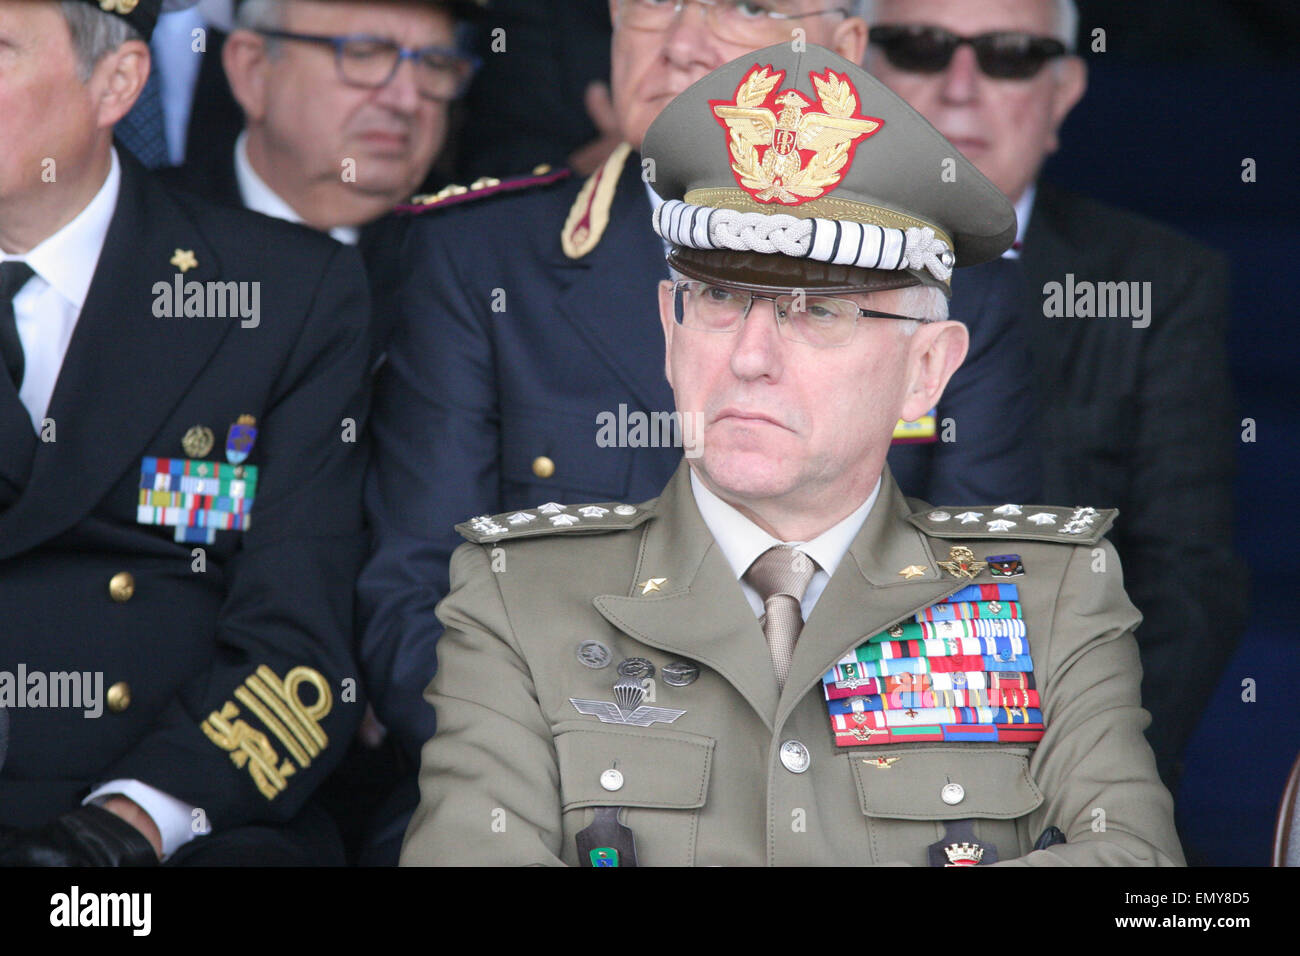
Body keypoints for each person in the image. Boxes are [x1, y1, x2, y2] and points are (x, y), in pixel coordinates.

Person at [399, 42, 1183, 867]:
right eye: (723, 297)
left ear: (927, 370)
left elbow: (1140, 871)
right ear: (670, 332)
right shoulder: (518, 597)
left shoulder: (1051, 600)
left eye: (818, 313)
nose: (749, 356)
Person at [362, 0, 1040, 790]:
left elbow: (971, 620)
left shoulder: (958, 293)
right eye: (651, 1)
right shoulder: (478, 259)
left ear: (846, 47)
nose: (682, 44)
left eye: (748, 7)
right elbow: (418, 611)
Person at [0, 0, 370, 866]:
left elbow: (299, 647)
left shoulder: (280, 294)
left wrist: (132, 822)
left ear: (116, 83)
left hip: (153, 811)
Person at [862, 0, 1245, 792]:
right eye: (920, 47)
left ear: (1065, 88)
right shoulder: (755, 266)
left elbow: (1186, 586)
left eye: (1008, 55)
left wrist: (1063, 786)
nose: (961, 86)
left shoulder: (1157, 283)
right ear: (859, 63)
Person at [164, 0, 481, 360]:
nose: (406, 100)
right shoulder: (141, 232)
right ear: (252, 69)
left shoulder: (476, 258)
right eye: (364, 54)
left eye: (435, 64)